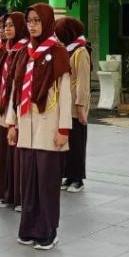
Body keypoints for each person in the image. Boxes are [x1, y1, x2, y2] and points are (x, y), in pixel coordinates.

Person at [6, 3, 72, 249]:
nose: (32, 25)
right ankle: (29, 228)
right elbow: (15, 89)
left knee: (46, 182)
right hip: (26, 126)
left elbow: (65, 93)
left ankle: (47, 231)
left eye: (36, 20)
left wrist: (63, 129)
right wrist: (11, 123)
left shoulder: (58, 52)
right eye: (29, 21)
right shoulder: (24, 52)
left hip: (49, 126)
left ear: (47, 21)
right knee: (28, 181)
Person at [0, 12, 29, 209]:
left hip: (17, 110)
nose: (6, 29)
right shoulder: (5, 50)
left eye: (10, 25)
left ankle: (20, 197)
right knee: (5, 155)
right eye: (4, 25)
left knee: (18, 155)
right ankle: (7, 194)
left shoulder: (24, 50)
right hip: (3, 108)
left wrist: (13, 115)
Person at [55, 16, 91, 192]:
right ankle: (68, 175)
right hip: (64, 105)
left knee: (77, 143)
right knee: (68, 142)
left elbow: (83, 82)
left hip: (75, 107)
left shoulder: (80, 52)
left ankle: (78, 178)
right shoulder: (67, 49)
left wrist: (81, 106)